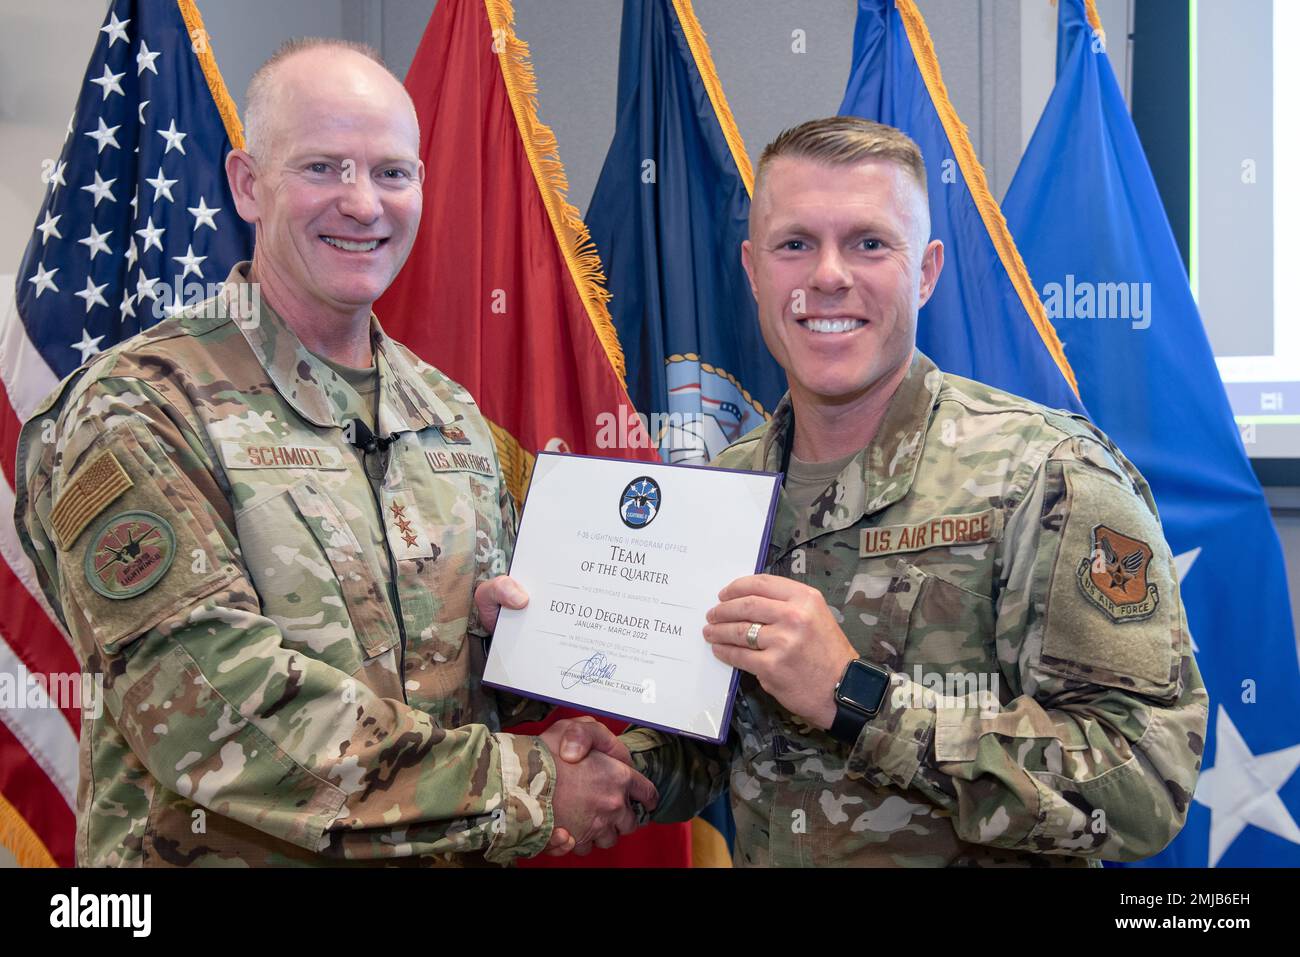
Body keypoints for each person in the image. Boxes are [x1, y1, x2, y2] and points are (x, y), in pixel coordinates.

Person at [14, 38, 653, 867]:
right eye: (323, 168)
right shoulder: (140, 405)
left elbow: (436, 679)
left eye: (393, 172)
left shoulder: (449, 417)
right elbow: (215, 708)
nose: (363, 204)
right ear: (249, 184)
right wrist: (530, 784)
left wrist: (519, 645)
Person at [538, 117, 1208, 866]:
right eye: (795, 244)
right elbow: (721, 734)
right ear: (754, 271)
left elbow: (1144, 780)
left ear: (924, 271)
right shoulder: (725, 486)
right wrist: (625, 767)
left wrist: (856, 698)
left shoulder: (1047, 476)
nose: (828, 275)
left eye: (868, 243)